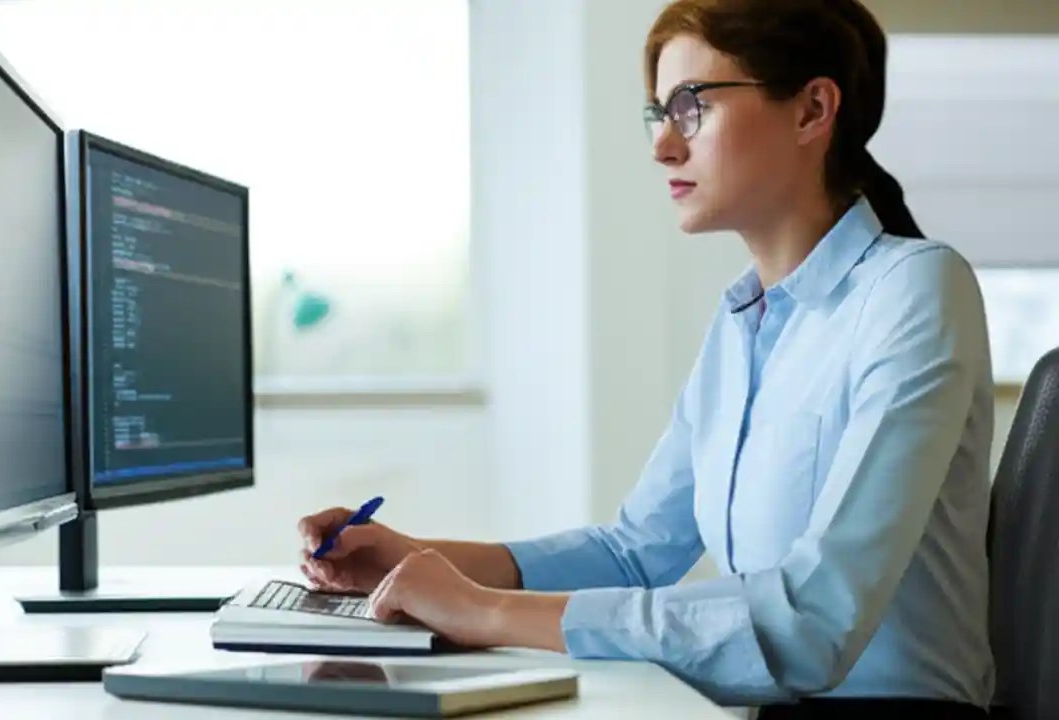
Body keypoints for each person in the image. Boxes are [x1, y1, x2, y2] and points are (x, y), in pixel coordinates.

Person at [297, 1, 995, 717]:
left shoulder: (913, 290)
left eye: (692, 106)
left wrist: (485, 612)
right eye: (657, 113)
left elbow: (808, 624)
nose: (663, 145)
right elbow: (634, 553)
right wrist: (416, 560)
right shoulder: (743, 326)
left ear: (812, 109)